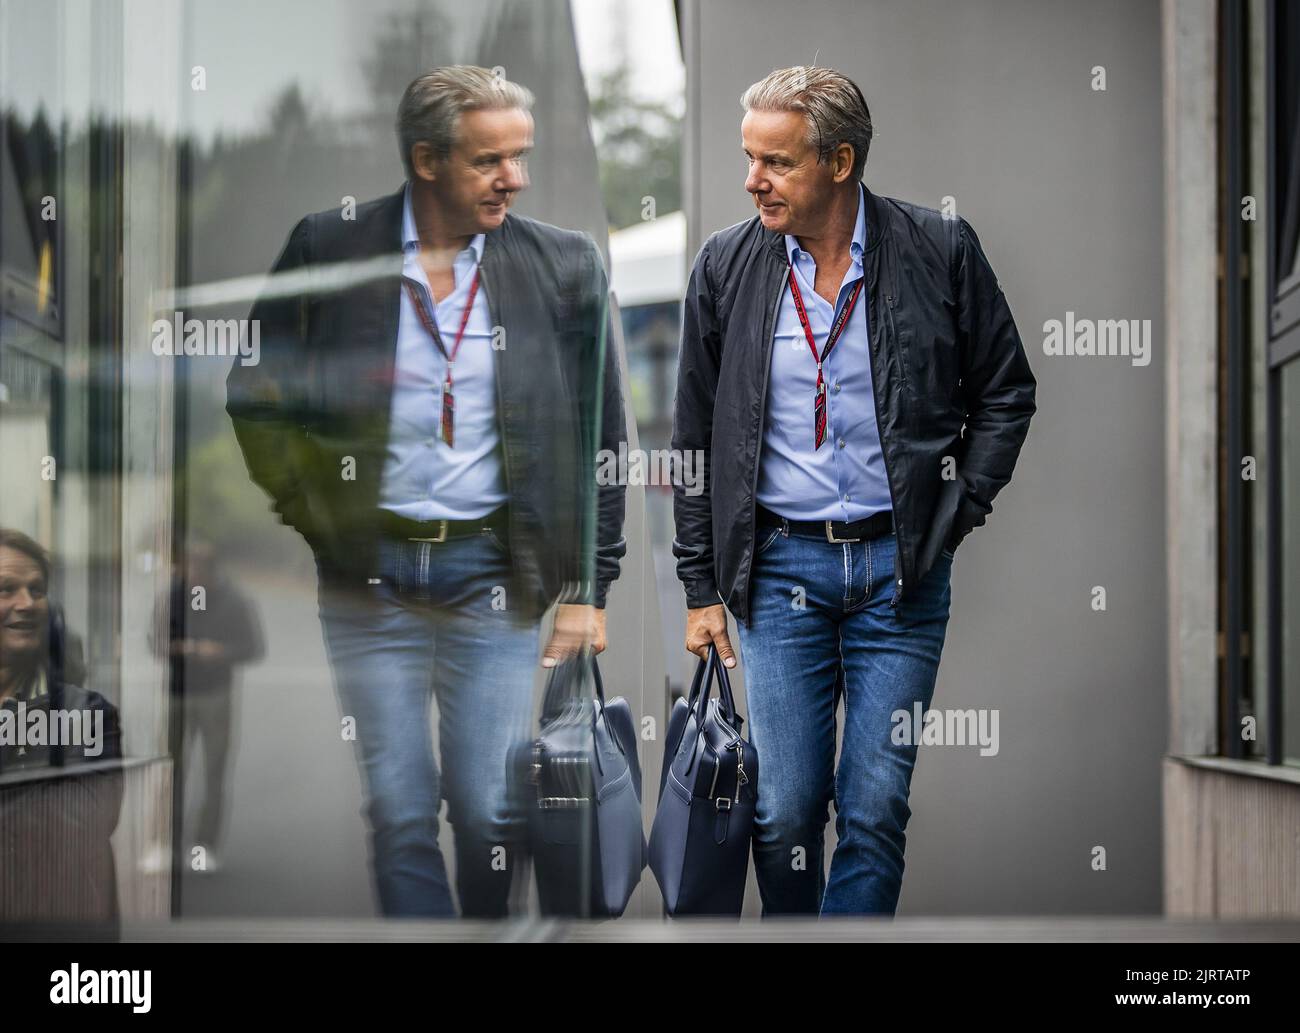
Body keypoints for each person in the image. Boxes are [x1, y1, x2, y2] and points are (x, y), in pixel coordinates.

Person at [226, 66, 627, 917]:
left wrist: (590, 588)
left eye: (519, 157)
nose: (513, 178)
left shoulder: (563, 266)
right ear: (427, 160)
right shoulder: (328, 247)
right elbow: (255, 393)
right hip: (368, 583)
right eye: (490, 161)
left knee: (487, 806)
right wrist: (320, 516)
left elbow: (603, 438)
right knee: (401, 811)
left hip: (496, 576)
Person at [671, 66, 1036, 916]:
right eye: (747, 157)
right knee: (786, 808)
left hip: (901, 578)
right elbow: (693, 440)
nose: (752, 179)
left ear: (839, 162)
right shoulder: (726, 266)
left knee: (874, 809)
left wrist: (956, 511)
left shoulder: (939, 248)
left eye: (775, 162)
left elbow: (1006, 391)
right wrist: (699, 586)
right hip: (779, 573)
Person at [150, 538, 264, 873]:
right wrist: (175, 647)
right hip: (177, 693)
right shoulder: (170, 596)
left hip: (216, 694)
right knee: (169, 771)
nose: (190, 576)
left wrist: (220, 652)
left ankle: (204, 847)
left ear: (211, 570)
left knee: (214, 771)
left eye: (197, 569)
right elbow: (153, 639)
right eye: (186, 569)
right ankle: (163, 845)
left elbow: (254, 647)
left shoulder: (235, 601)